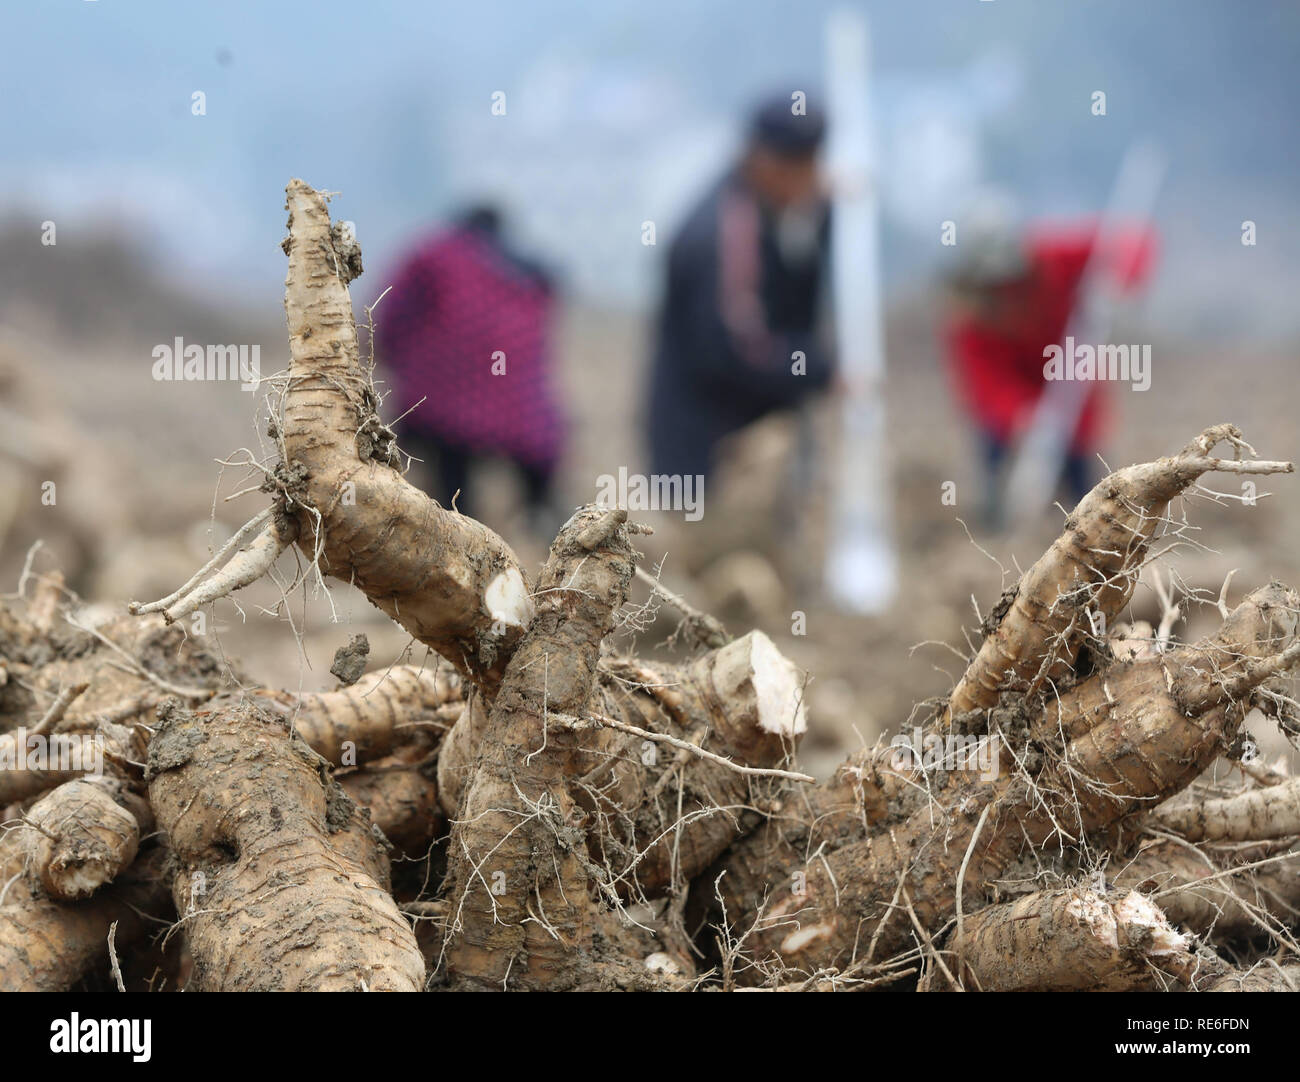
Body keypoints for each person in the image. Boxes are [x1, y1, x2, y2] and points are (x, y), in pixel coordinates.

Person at [647, 95, 836, 482]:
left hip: (724, 440)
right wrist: (823, 369)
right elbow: (738, 351)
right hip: (712, 452)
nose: (815, 179)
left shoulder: (752, 209)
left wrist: (824, 216)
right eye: (806, 167)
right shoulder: (724, 235)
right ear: (768, 162)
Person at [942, 209, 1156, 526]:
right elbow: (985, 386)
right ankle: (998, 523)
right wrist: (1020, 415)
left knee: (1084, 484)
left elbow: (1132, 240)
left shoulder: (1056, 259)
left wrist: (1121, 280)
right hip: (1011, 414)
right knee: (1001, 471)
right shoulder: (969, 322)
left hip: (1069, 384)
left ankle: (1088, 525)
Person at [374, 205, 563, 528]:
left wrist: (392, 358)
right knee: (535, 477)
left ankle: (461, 536)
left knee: (453, 492)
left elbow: (390, 316)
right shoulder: (527, 270)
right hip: (517, 404)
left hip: (443, 403)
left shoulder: (432, 257)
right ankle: (542, 529)